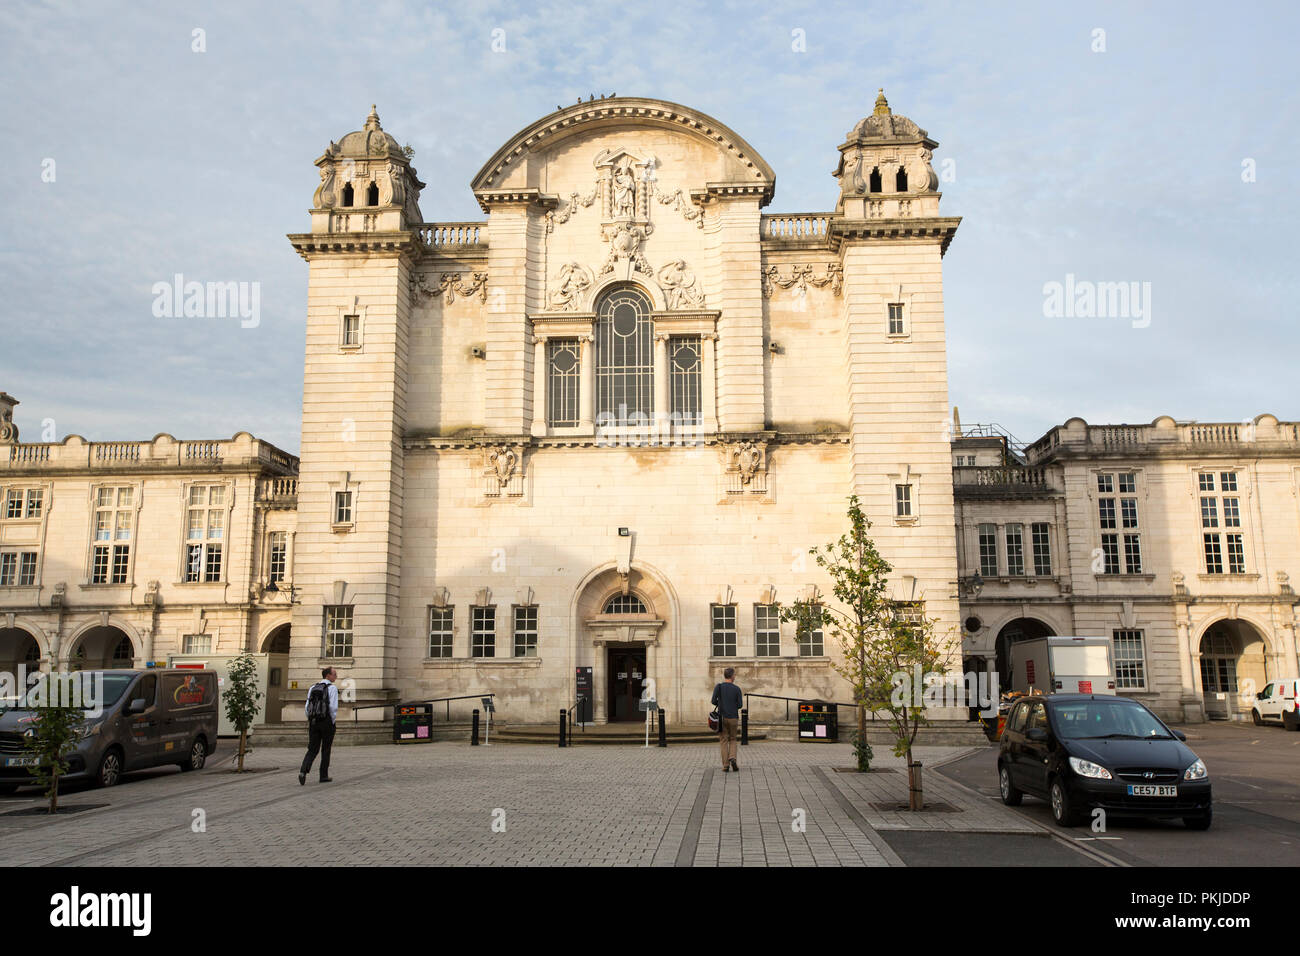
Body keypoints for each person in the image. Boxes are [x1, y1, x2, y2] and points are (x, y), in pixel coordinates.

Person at [299, 667, 339, 785]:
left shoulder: (312, 687)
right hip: (326, 721)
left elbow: (307, 707)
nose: (336, 676)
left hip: (314, 721)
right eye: (334, 674)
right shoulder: (332, 688)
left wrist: (311, 719)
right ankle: (323, 775)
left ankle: (303, 770)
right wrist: (332, 721)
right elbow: (333, 707)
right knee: (326, 749)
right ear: (328, 676)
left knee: (312, 749)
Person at [712, 667, 743, 772]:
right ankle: (732, 758)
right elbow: (740, 705)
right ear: (732, 676)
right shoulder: (737, 689)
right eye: (734, 675)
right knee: (733, 739)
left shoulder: (719, 687)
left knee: (724, 740)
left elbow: (713, 701)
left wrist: (721, 704)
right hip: (733, 717)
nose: (735, 677)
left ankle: (725, 765)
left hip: (722, 718)